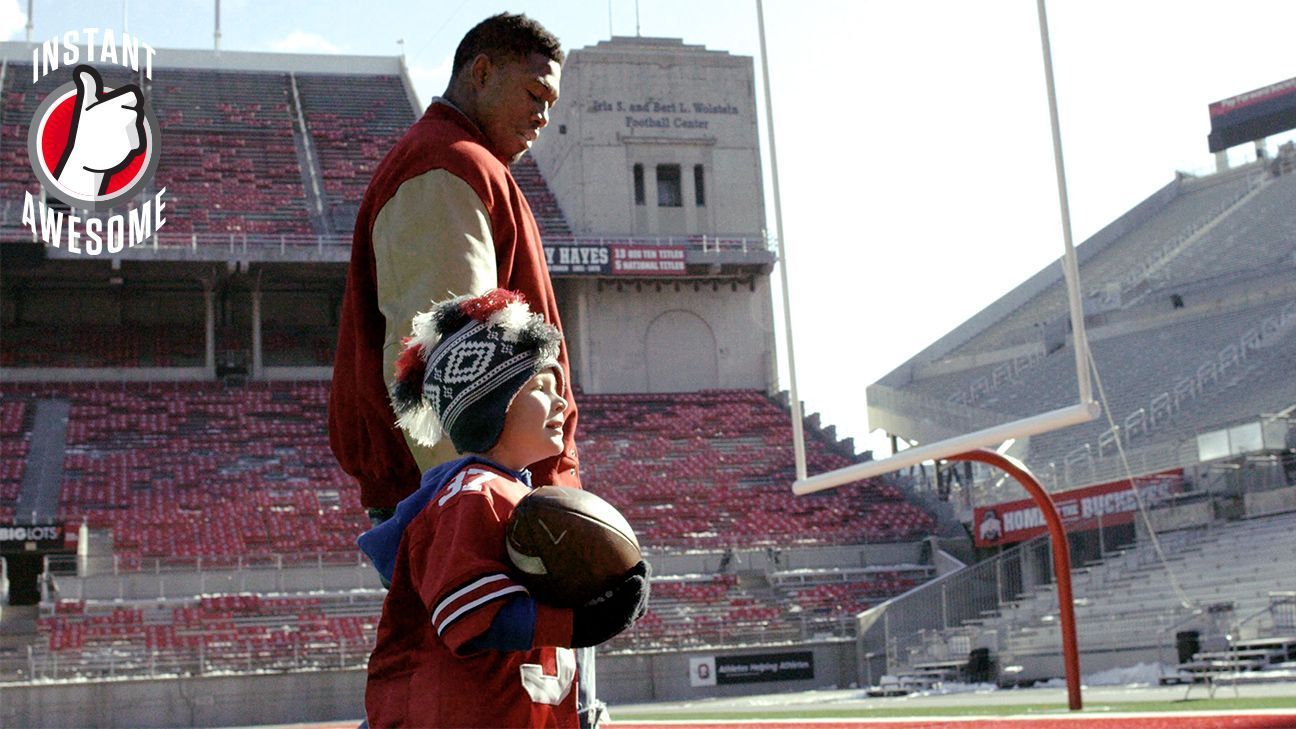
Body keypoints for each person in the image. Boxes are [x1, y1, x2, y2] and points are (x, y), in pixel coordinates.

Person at [327, 12, 605, 725]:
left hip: (488, 492)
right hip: (479, 501)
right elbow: (446, 364)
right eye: (534, 94)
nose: (544, 116)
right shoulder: (446, 164)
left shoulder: (464, 163)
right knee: (468, 703)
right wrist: (481, 505)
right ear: (480, 72)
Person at [359, 290, 649, 728]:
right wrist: (583, 622)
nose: (560, 403)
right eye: (540, 387)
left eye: (559, 388)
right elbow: (474, 616)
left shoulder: (513, 495)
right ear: (492, 406)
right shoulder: (473, 494)